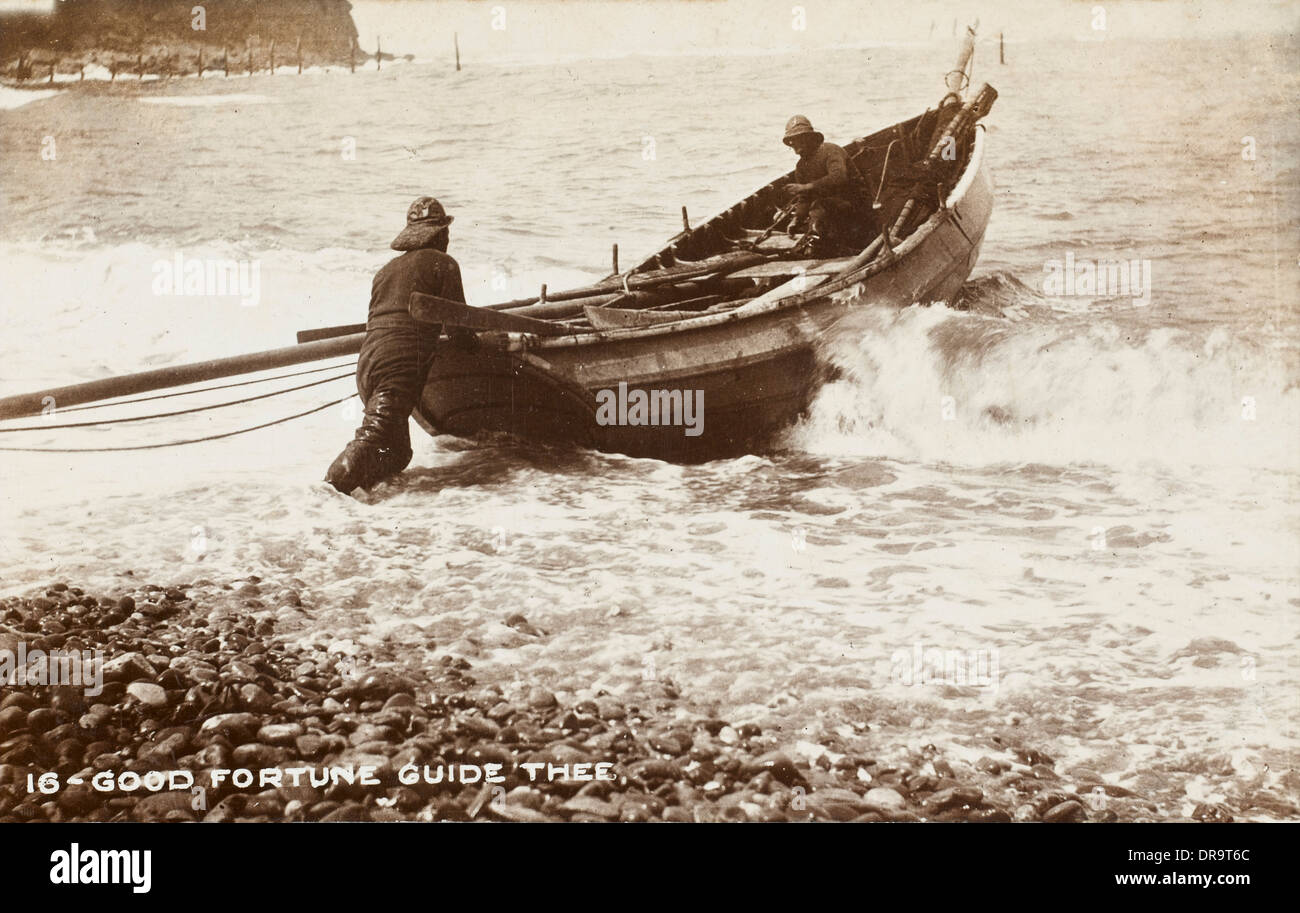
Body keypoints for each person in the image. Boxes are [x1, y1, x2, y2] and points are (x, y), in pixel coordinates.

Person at [325, 196, 465, 494]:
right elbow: (458, 330)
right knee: (373, 437)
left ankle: (363, 498)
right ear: (440, 234)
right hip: (397, 368)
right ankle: (327, 493)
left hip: (368, 364)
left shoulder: (385, 272)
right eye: (446, 232)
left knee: (399, 453)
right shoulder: (444, 264)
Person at [780, 115, 877, 256]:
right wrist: (797, 219)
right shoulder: (801, 167)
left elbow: (839, 176)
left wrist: (806, 186)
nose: (795, 144)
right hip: (832, 211)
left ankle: (819, 241)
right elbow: (804, 199)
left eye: (799, 139)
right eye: (792, 140)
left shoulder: (831, 150)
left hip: (857, 204)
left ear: (809, 138)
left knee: (819, 206)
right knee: (819, 209)